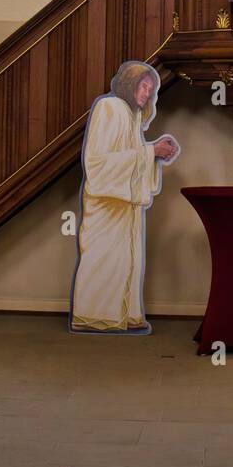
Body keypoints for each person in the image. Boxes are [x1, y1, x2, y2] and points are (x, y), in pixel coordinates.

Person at [69, 61, 179, 334]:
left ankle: (124, 315)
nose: (147, 94)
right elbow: (98, 163)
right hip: (107, 206)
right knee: (104, 260)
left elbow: (131, 159)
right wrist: (151, 151)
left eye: (151, 90)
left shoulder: (131, 116)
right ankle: (95, 316)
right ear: (130, 84)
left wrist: (153, 155)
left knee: (127, 261)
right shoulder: (110, 108)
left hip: (123, 206)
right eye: (143, 86)